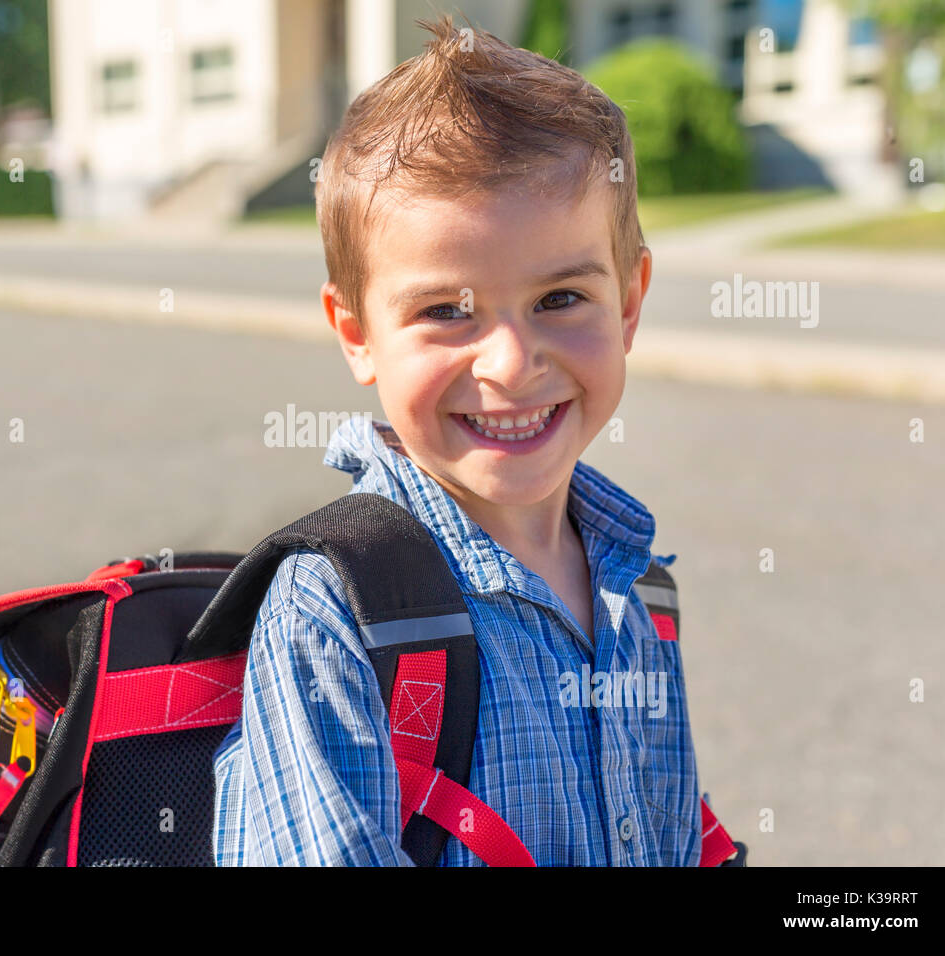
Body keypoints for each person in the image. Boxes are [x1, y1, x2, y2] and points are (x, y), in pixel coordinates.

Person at [213, 13, 703, 865]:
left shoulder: (640, 595)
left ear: (629, 303)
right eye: (446, 312)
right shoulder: (336, 614)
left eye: (561, 299)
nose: (510, 365)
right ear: (356, 331)